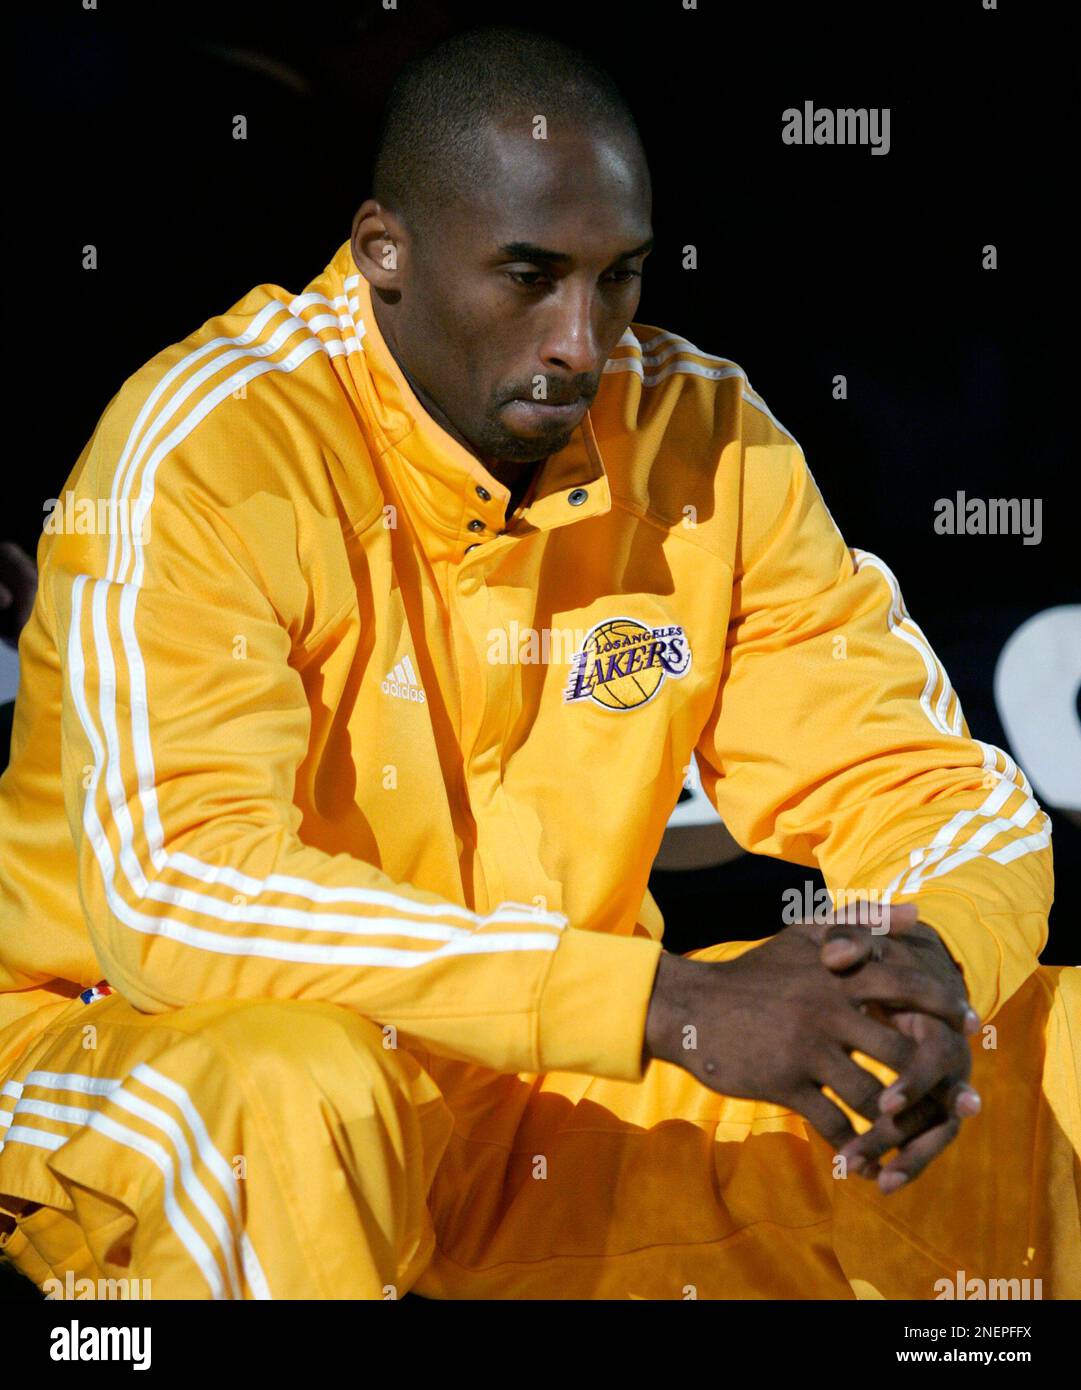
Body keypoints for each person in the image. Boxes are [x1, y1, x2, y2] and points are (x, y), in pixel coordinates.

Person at [0, 26, 1076, 1301]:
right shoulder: (211, 447)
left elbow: (940, 794)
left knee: (1048, 1055)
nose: (582, 339)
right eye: (530, 276)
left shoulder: (695, 436)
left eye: (617, 277)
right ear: (382, 251)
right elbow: (179, 898)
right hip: (133, 1062)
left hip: (538, 1102)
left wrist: (922, 976)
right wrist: (664, 1006)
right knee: (294, 1093)